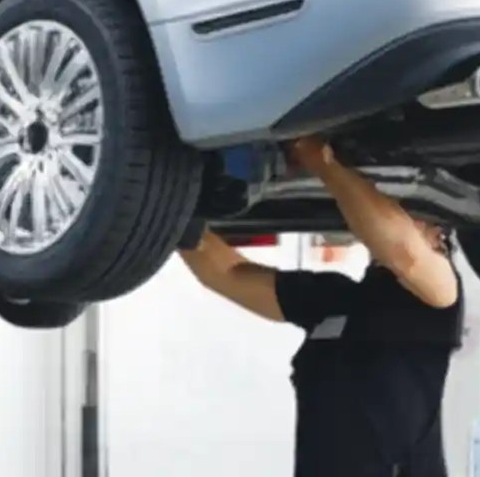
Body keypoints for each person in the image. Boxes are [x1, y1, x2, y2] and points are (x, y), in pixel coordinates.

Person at [180, 136, 463, 477]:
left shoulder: (438, 300)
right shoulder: (333, 300)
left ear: (439, 240)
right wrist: (167, 212)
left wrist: (319, 157)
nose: (397, 211)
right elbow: (225, 274)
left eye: (413, 214)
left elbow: (403, 253)